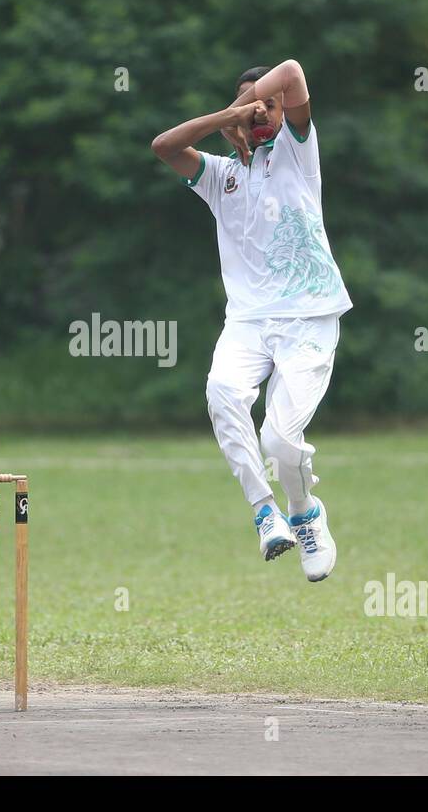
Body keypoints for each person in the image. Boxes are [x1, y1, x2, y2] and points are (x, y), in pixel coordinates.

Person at [150, 59, 352, 582]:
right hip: (247, 322)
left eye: (267, 103)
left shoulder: (297, 150)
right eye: (249, 104)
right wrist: (226, 116)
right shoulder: (220, 175)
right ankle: (266, 511)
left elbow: (292, 70)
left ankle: (305, 514)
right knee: (221, 393)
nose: (260, 110)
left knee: (280, 442)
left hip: (309, 316)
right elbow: (164, 148)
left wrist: (258, 100)